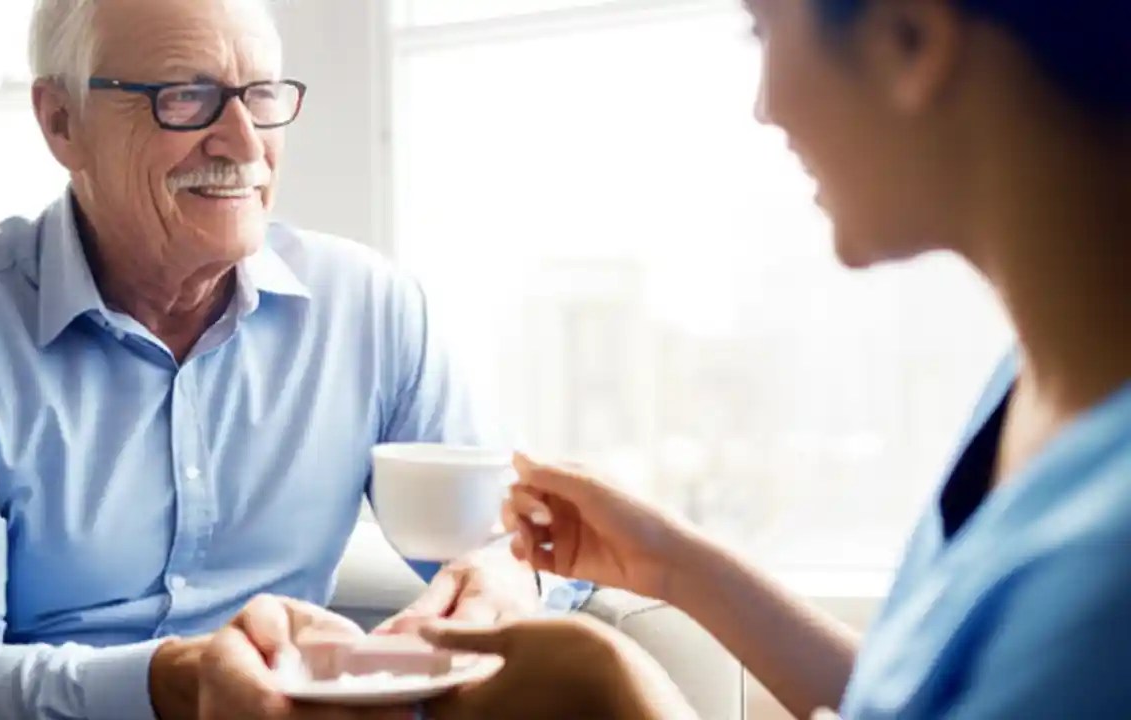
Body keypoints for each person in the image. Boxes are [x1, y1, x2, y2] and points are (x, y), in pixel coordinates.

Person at [0, 0, 561, 718]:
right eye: (184, 97)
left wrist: (501, 580)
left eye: (260, 95)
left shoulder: (369, 310)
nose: (243, 143)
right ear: (61, 121)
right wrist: (177, 681)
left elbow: (507, 542)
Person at [423, 0, 1131, 716]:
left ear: (909, 38)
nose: (766, 108)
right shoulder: (1028, 384)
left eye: (762, 30)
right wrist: (672, 563)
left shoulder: (1108, 558)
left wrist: (612, 693)